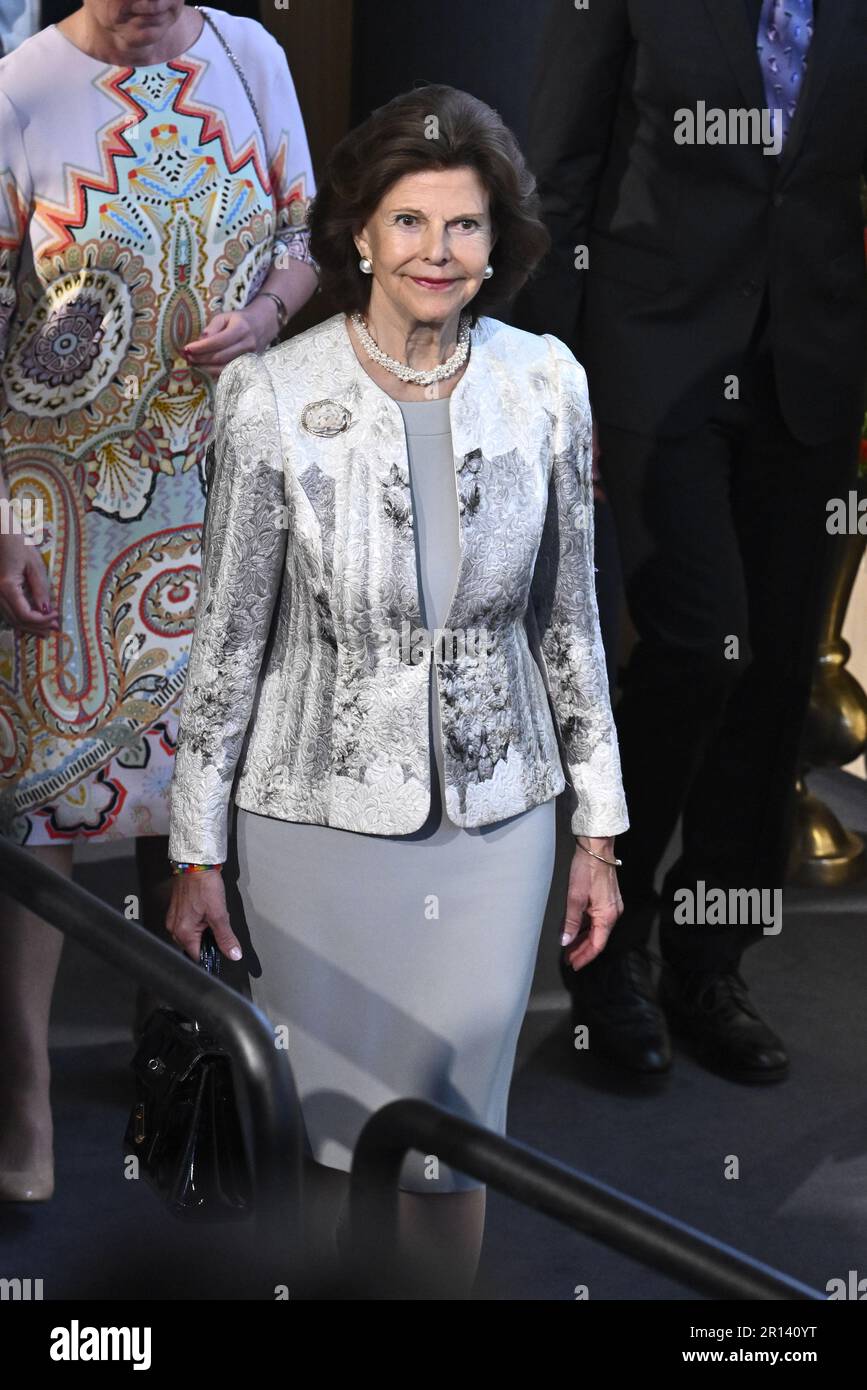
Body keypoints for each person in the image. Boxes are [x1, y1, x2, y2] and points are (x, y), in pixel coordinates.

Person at [166, 82, 629, 1298]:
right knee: (326, 1140)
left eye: (465, 226)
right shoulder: (268, 396)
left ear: (497, 245)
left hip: (498, 825)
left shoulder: (547, 385)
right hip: (309, 825)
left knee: (455, 1145)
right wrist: (197, 848)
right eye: (411, 222)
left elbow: (572, 621)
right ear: (360, 234)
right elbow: (225, 642)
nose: (438, 251)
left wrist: (600, 830)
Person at [0, 0, 318, 1202]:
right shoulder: (19, 89)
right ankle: (19, 1097)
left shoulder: (254, 55)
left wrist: (271, 316)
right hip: (58, 504)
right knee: (44, 808)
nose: (148, 18)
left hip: (218, 486)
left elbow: (305, 239)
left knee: (201, 797)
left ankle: (173, 1071)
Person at [513, 0, 867, 1081]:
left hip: (805, 368)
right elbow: (558, 172)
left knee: (772, 679)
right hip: (654, 360)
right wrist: (548, 378)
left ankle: (708, 965)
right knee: (696, 644)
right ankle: (604, 951)